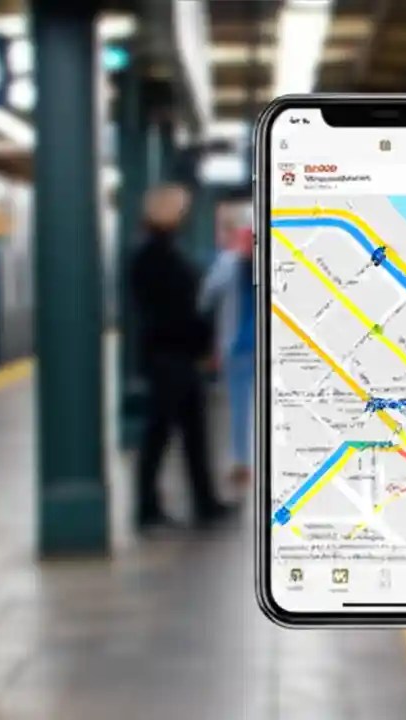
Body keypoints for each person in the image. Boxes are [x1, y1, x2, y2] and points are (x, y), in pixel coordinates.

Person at [130, 184, 232, 530]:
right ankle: (149, 507)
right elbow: (177, 310)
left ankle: (202, 501)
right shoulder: (156, 258)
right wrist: (201, 340)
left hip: (175, 355)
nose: (185, 217)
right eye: (181, 211)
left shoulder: (156, 255)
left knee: (189, 432)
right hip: (170, 357)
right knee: (162, 434)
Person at [200, 222, 255, 488]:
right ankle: (246, 461)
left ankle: (244, 462)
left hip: (240, 346)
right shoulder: (231, 264)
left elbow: (206, 298)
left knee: (241, 406)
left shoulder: (229, 263)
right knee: (243, 406)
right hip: (240, 348)